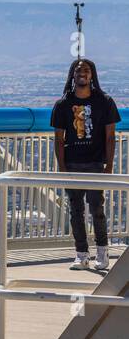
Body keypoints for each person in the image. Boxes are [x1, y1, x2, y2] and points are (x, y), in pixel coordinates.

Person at [51, 58, 119, 270]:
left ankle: (102, 252)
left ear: (92, 75)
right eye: (79, 70)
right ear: (73, 74)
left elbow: (110, 136)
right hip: (72, 165)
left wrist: (108, 166)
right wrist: (62, 168)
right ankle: (81, 254)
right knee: (76, 211)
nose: (83, 73)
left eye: (87, 70)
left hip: (96, 164)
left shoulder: (104, 101)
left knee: (97, 209)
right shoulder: (62, 104)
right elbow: (59, 139)